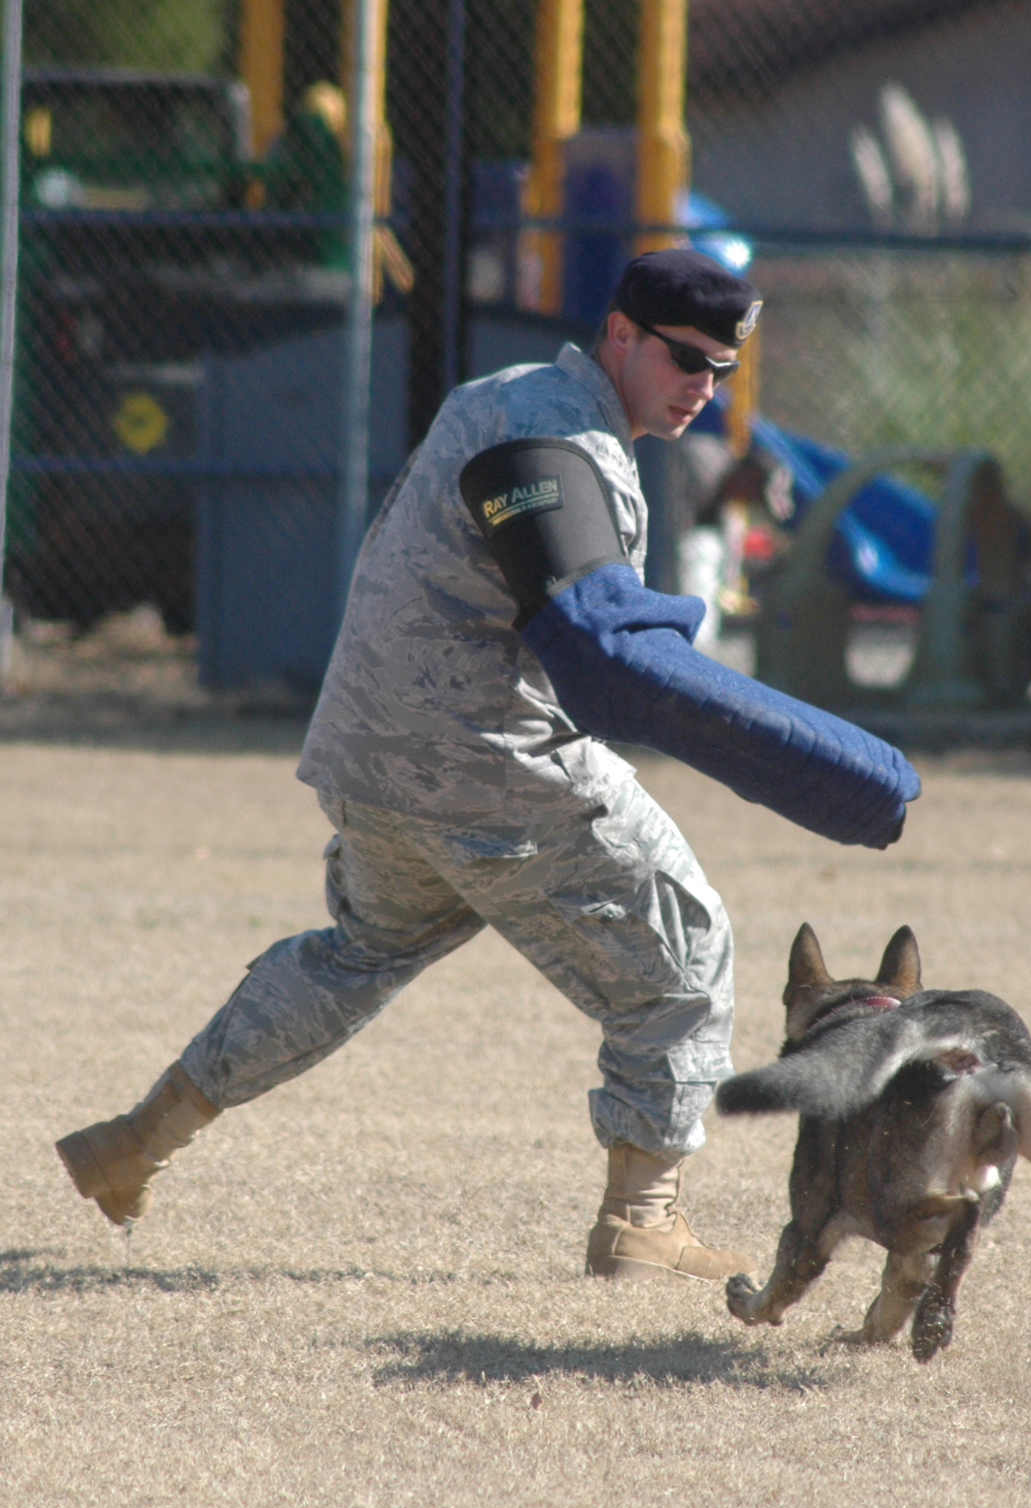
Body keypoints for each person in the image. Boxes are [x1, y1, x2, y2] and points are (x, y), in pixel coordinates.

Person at [56, 250, 919, 1282]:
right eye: (685, 359)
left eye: (723, 372)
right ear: (619, 336)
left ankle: (135, 1141)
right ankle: (643, 1222)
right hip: (482, 762)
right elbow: (606, 655)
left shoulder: (514, 399)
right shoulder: (551, 435)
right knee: (686, 950)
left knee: (356, 954)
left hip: (375, 762)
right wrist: (844, 767)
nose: (703, 386)